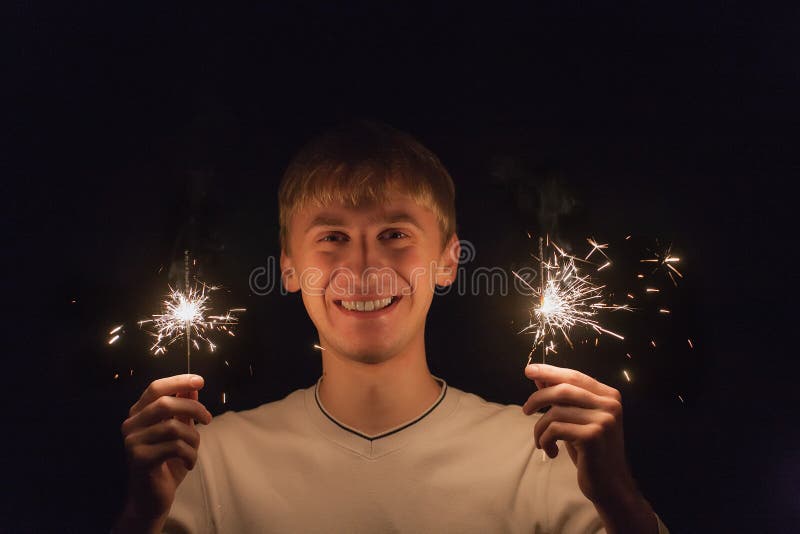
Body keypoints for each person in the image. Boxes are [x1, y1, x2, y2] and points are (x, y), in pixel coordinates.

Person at [114, 121, 669, 533]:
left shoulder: (545, 453)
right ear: (288, 266)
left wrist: (619, 498)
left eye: (395, 235)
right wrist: (142, 516)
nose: (363, 268)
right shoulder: (207, 459)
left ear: (448, 260)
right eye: (332, 237)